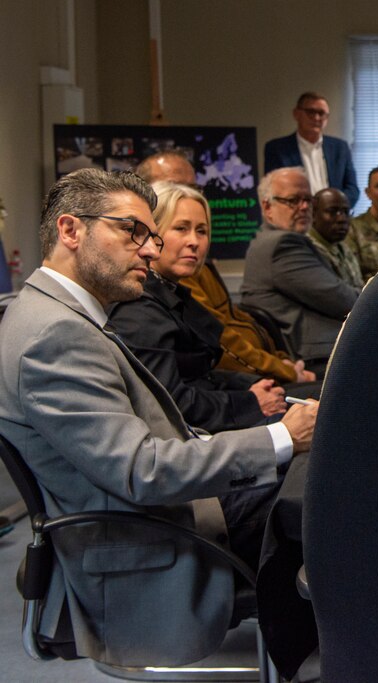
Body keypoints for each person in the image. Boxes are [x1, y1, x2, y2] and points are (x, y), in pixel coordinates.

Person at [0, 169, 318, 666]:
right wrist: (280, 437)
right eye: (132, 232)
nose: (150, 250)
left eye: (150, 235)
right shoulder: (54, 336)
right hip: (152, 541)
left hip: (158, 518)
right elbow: (142, 471)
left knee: (312, 481)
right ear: (70, 230)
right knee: (327, 495)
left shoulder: (60, 315)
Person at [107, 182, 293, 432]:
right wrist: (249, 401)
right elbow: (172, 403)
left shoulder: (173, 291)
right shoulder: (139, 307)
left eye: (202, 231)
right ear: (153, 234)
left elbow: (201, 374)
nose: (194, 241)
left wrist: (252, 384)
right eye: (181, 228)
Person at [240, 168, 359, 366]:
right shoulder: (282, 245)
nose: (304, 207)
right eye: (293, 201)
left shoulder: (275, 240)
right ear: (267, 207)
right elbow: (341, 299)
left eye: (308, 200)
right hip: (313, 356)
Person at [263, 92, 359, 206]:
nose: (316, 118)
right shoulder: (277, 149)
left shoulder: (340, 148)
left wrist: (331, 203)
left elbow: (352, 190)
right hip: (295, 217)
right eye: (311, 112)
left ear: (327, 118)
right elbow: (273, 190)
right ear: (296, 114)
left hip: (332, 217)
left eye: (321, 113)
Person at [308, 187, 363, 289]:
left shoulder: (342, 247)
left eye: (346, 212)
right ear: (313, 214)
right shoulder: (308, 250)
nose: (341, 219)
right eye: (332, 212)